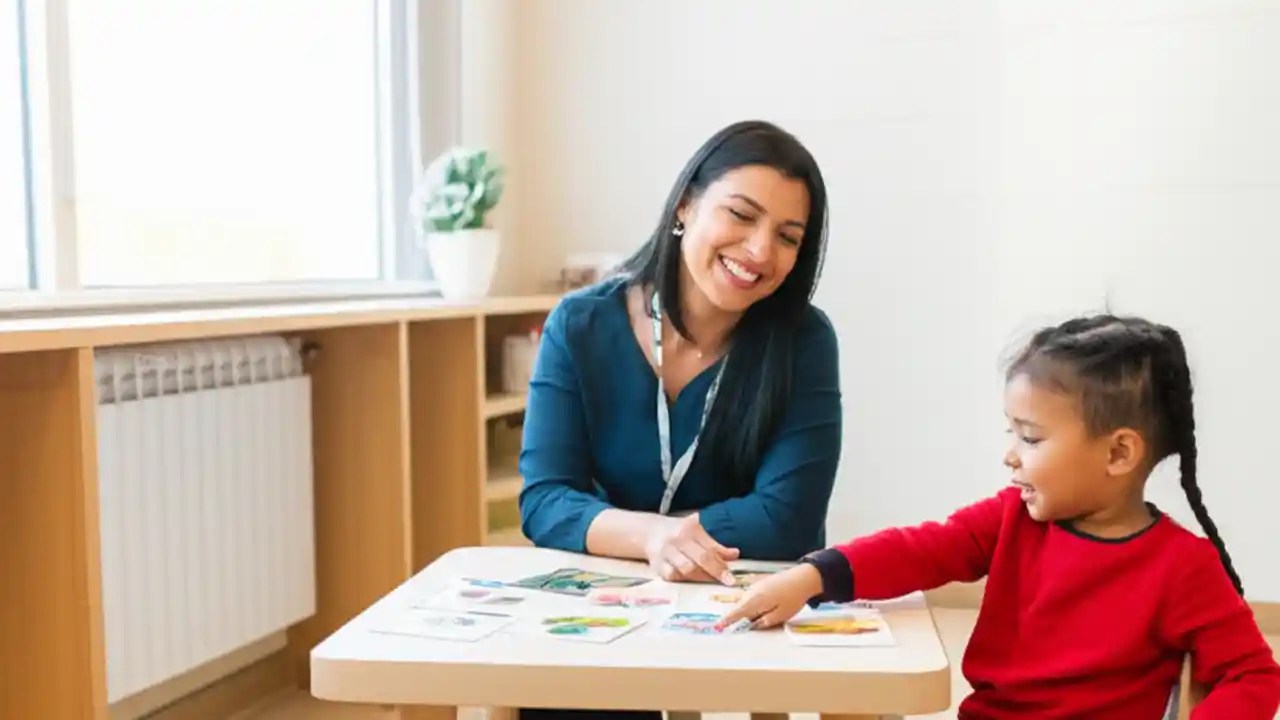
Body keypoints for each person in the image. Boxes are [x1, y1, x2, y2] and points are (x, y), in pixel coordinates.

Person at [717, 315, 1280, 719]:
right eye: (1011, 431)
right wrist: (815, 575)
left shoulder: (1182, 566)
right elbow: (923, 548)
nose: (1010, 453)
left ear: (1118, 454)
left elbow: (1253, 675)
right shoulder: (1014, 517)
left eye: (1030, 437)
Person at [518, 118, 840, 585]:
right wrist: (650, 536)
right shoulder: (579, 326)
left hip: (744, 602)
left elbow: (788, 519)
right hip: (609, 598)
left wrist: (622, 528)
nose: (759, 250)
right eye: (742, 215)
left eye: (787, 237)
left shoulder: (804, 341)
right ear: (686, 205)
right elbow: (545, 501)